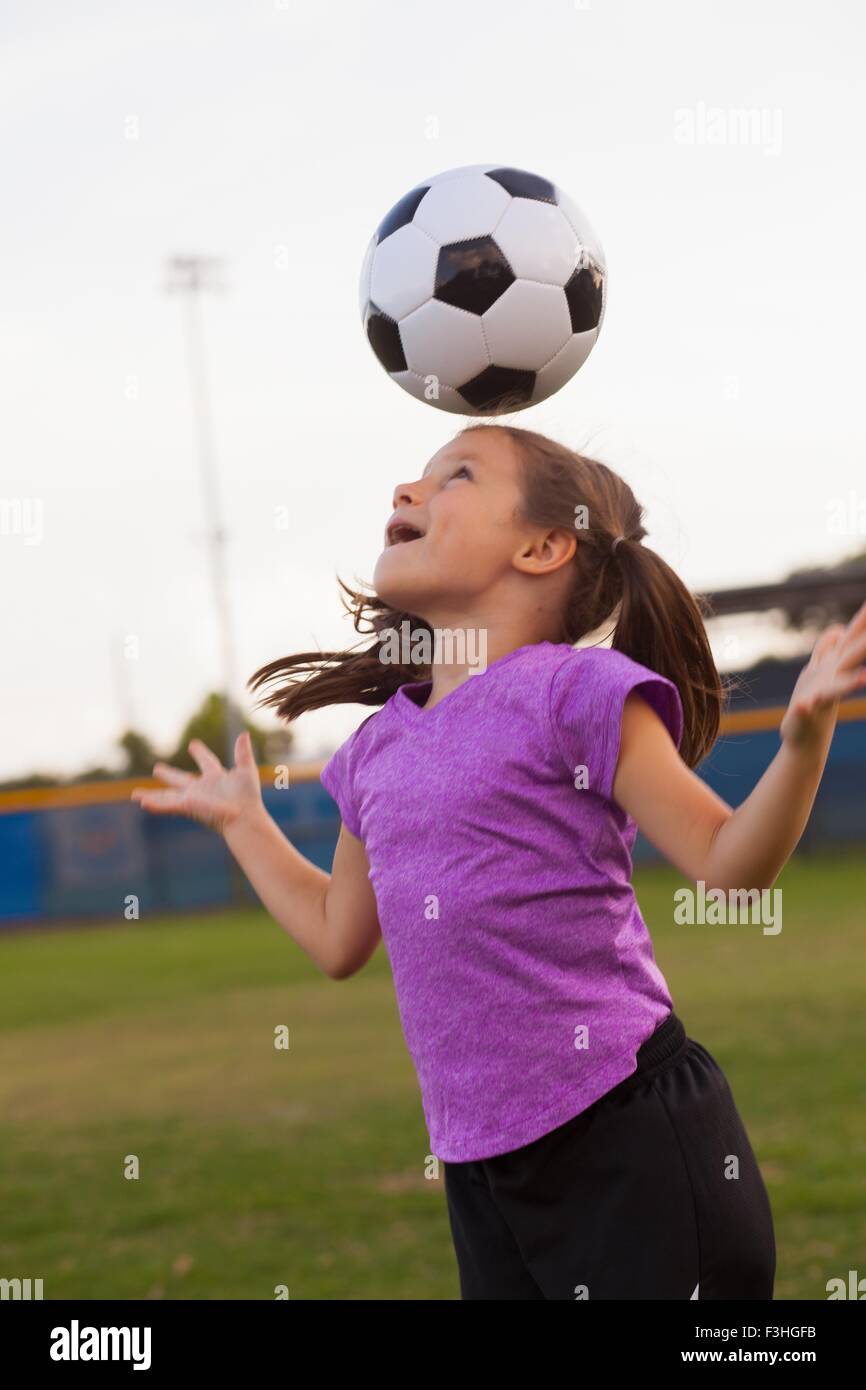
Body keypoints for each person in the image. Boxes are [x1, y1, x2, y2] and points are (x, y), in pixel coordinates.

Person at [132, 422, 866, 1300]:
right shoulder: (375, 749)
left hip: (625, 1141)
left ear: (543, 545)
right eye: (420, 477)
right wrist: (246, 823)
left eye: (458, 476)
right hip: (480, 1172)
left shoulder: (573, 692)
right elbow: (339, 939)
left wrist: (804, 739)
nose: (409, 490)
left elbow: (726, 866)